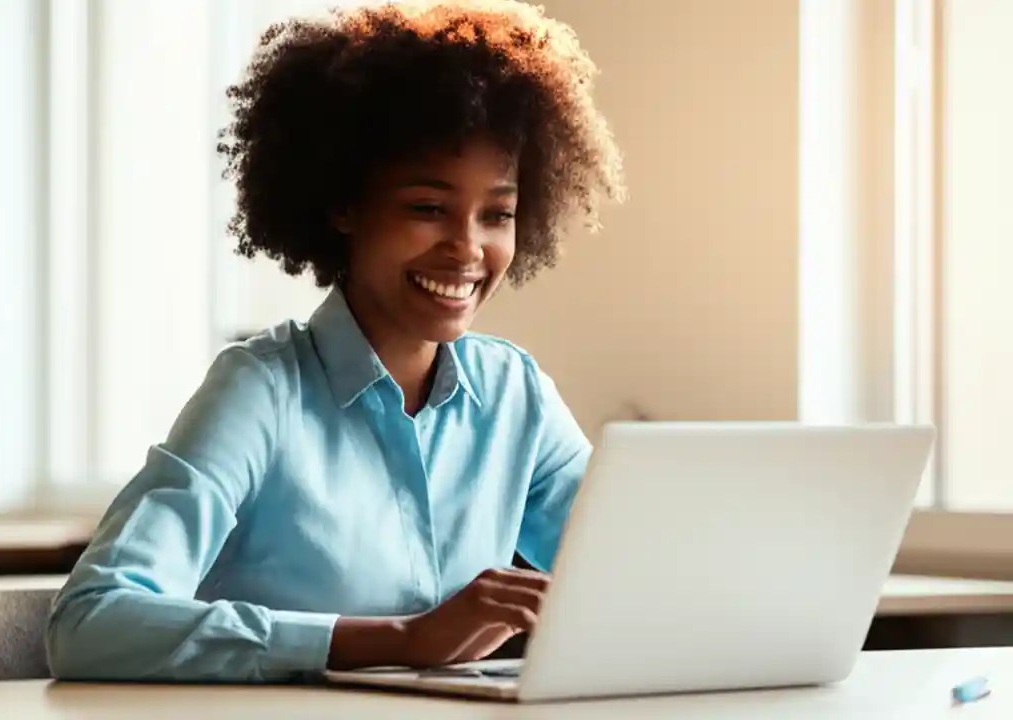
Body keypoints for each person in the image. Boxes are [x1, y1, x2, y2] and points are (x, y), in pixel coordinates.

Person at [46, 0, 624, 682]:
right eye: (427, 208)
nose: (467, 248)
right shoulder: (260, 392)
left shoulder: (515, 397)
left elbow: (637, 583)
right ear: (343, 205)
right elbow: (88, 623)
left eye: (497, 213)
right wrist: (399, 638)